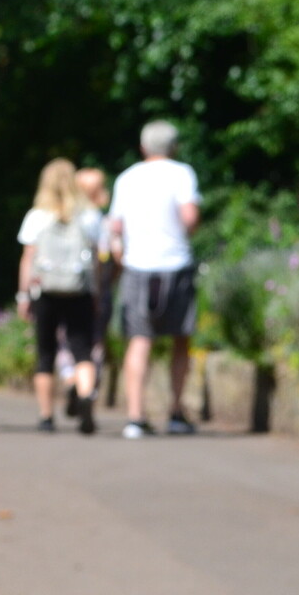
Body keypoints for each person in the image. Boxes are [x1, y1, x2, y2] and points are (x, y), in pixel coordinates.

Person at [107, 120, 201, 438]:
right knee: (180, 339)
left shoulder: (127, 178)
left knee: (139, 340)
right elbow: (189, 217)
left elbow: (115, 227)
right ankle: (176, 412)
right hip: (174, 263)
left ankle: (135, 416)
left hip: (138, 266)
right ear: (173, 146)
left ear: (143, 147)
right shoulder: (182, 173)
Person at [16, 159, 101, 434]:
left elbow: (28, 259)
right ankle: (86, 394)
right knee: (81, 348)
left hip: (46, 290)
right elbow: (97, 260)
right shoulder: (89, 215)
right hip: (79, 290)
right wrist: (96, 290)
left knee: (45, 353)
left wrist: (23, 295)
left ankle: (46, 416)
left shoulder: (37, 216)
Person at [74, 166, 116, 391]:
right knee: (96, 340)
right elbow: (112, 255)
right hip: (97, 289)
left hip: (68, 288)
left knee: (70, 339)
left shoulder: (67, 218)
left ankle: (70, 377)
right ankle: (89, 387)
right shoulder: (101, 222)